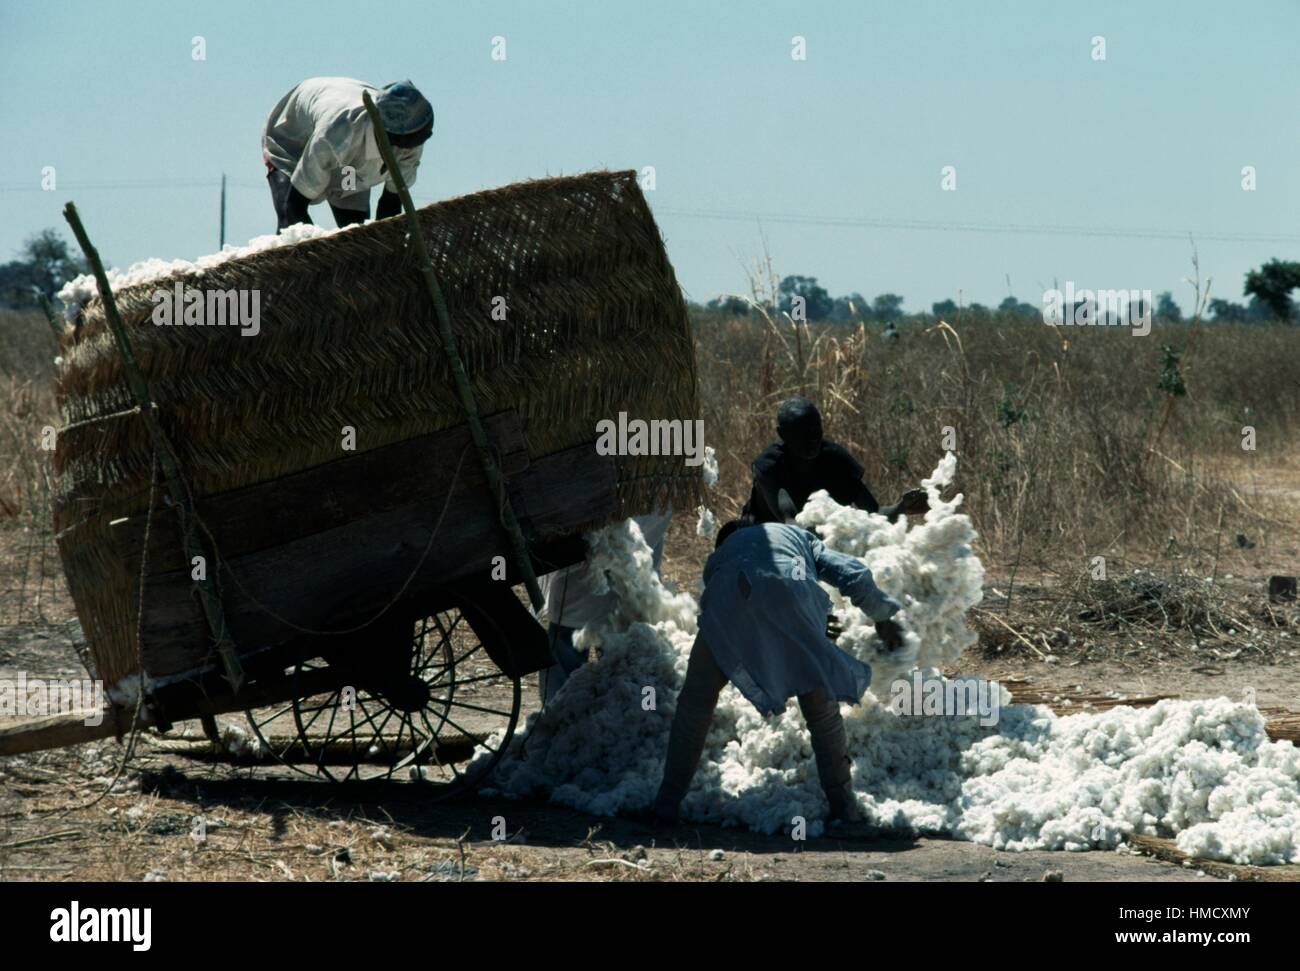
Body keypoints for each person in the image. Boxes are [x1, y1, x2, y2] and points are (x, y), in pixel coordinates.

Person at [652, 515, 905, 825]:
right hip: (791, 600)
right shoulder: (795, 536)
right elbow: (851, 572)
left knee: (695, 704)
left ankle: (665, 805)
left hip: (725, 607)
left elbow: (732, 595)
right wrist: (882, 616)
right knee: (821, 711)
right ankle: (845, 810)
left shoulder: (721, 554)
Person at [261, 77, 433, 232]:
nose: (424, 139)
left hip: (349, 165)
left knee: (354, 228)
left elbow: (391, 204)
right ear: (392, 134)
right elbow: (295, 204)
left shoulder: (412, 137)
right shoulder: (335, 136)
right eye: (411, 140)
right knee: (289, 221)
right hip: (292, 137)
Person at [537, 512, 672, 705]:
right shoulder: (653, 495)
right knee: (607, 655)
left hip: (613, 592)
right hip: (601, 589)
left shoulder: (646, 497)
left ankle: (564, 715)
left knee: (609, 657)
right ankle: (562, 715)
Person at [743, 395, 928, 525]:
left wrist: (902, 508)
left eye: (816, 431)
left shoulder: (834, 459)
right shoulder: (770, 466)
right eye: (802, 434)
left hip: (819, 542)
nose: (812, 440)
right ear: (782, 435)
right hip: (766, 541)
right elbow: (791, 523)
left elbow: (875, 515)